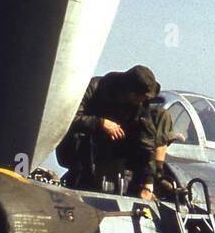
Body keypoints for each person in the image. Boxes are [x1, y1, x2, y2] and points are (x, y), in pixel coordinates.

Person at [57, 64, 180, 199]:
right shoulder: (94, 88)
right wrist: (100, 123)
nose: (143, 102)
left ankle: (155, 179)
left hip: (119, 146)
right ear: (131, 93)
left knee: (160, 116)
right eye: (142, 98)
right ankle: (84, 180)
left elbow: (146, 140)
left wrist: (148, 182)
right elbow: (66, 119)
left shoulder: (139, 103)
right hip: (87, 147)